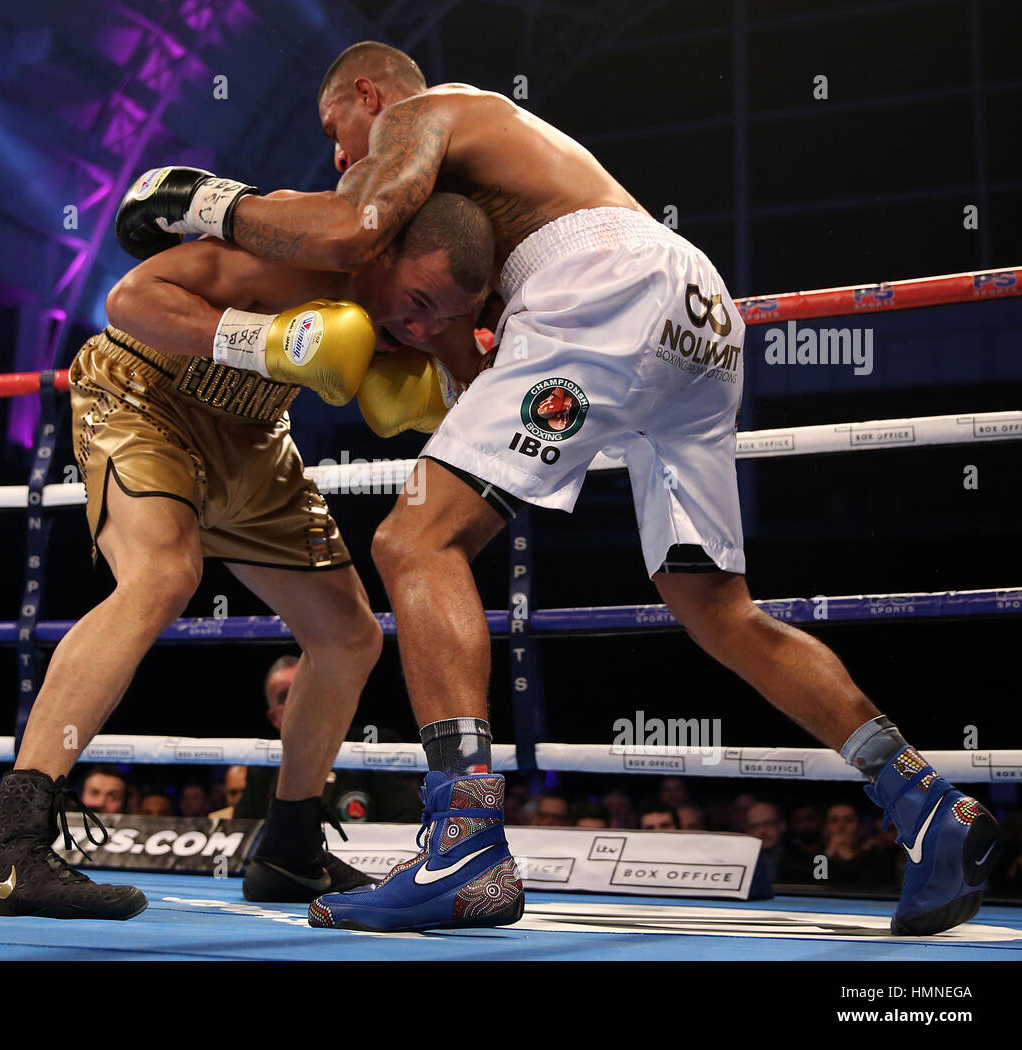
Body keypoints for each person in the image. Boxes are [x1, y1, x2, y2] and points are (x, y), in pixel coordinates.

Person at [138, 39, 1000, 935]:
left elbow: (347, 227)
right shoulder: (479, 196)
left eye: (334, 130)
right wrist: (432, 353)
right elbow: (474, 385)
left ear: (368, 94)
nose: (338, 157)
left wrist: (208, 206)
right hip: (696, 313)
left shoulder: (423, 115)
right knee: (713, 605)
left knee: (412, 539)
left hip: (604, 283)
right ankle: (930, 807)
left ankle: (465, 845)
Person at [0, 188, 495, 920]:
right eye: (419, 299)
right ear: (386, 253)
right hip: (147, 400)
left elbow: (474, 387)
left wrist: (465, 378)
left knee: (349, 636)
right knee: (163, 575)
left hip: (255, 439)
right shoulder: (308, 245)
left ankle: (289, 847)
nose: (423, 324)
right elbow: (131, 299)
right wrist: (259, 341)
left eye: (445, 315)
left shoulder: (429, 313)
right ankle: (7, 847)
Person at [234, 655, 421, 825]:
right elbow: (241, 836)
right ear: (274, 718)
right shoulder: (261, 767)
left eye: (304, 690)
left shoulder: (373, 746)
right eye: (285, 697)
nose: (298, 702)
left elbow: (405, 824)